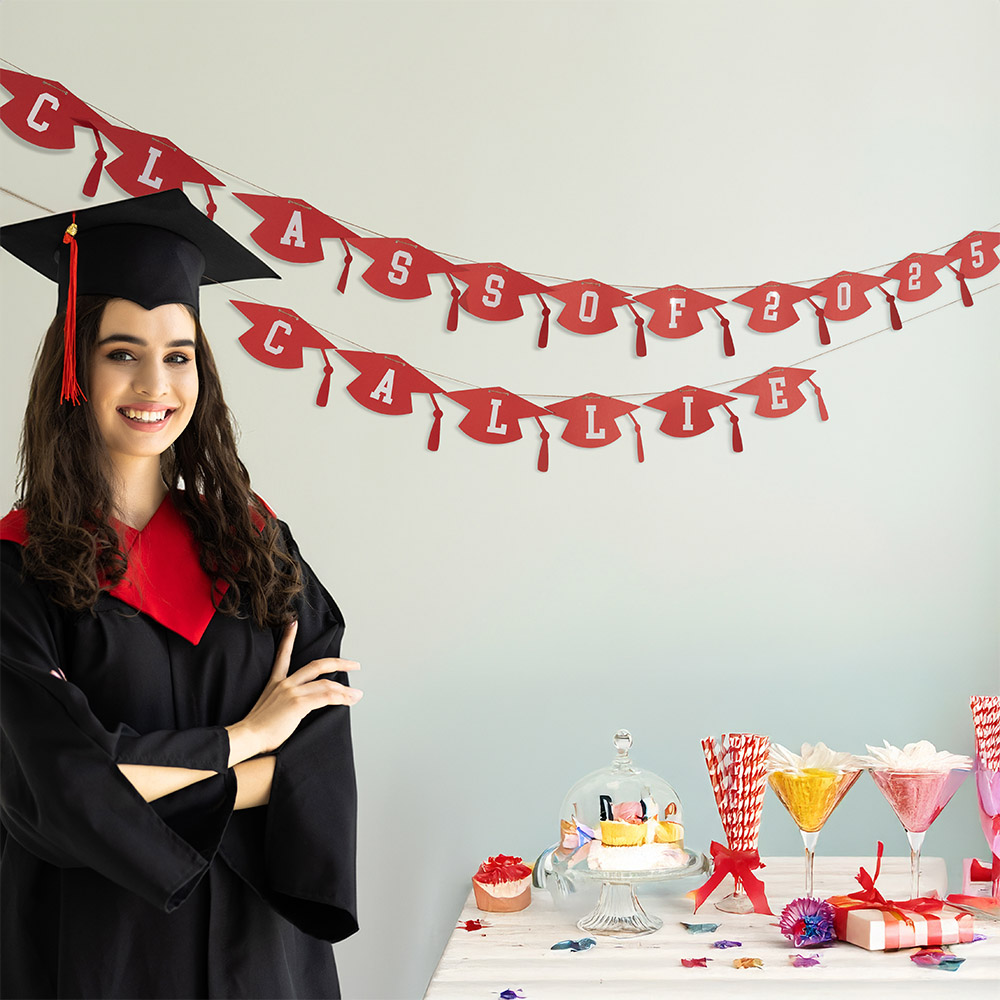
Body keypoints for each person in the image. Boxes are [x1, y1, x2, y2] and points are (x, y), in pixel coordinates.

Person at [0, 190, 361, 999]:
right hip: (97, 950)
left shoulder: (255, 545)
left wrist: (129, 773)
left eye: (178, 354)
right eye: (121, 353)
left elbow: (318, 756)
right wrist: (244, 741)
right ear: (74, 368)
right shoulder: (19, 569)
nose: (154, 383)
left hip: (260, 950)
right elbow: (53, 789)